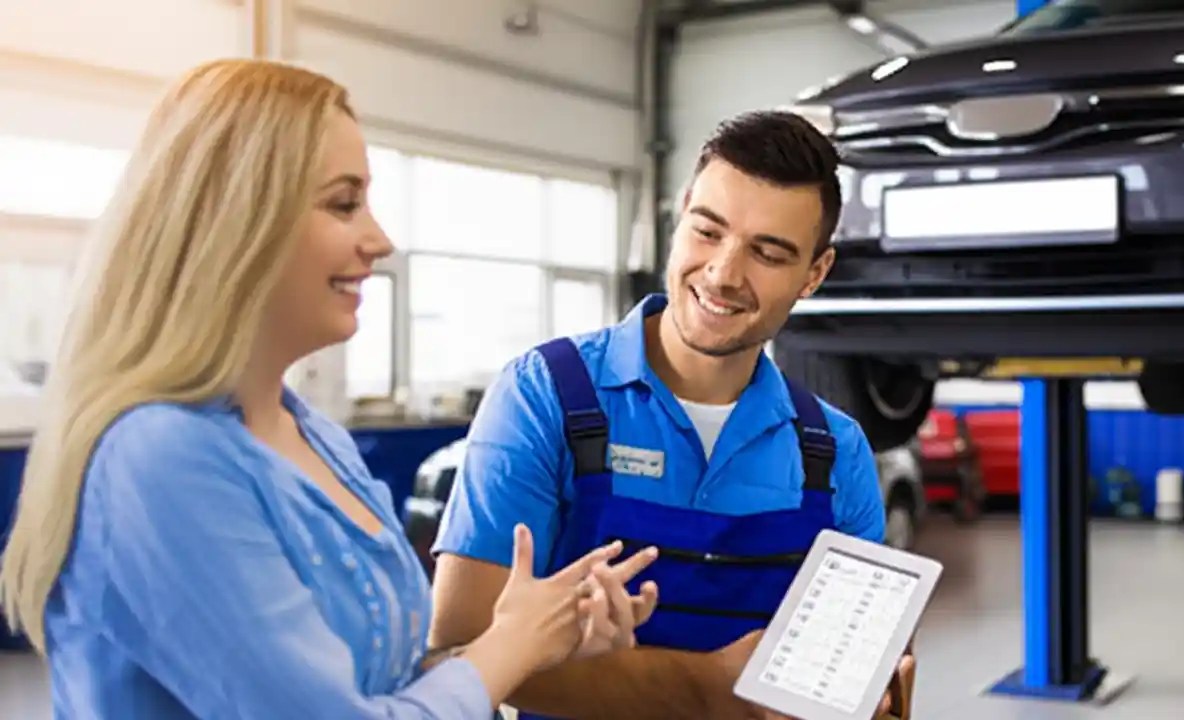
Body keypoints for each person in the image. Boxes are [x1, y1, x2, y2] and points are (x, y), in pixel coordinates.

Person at [0, 58, 660, 719]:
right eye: (343, 204)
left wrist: (532, 639)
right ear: (235, 221)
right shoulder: (159, 458)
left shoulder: (311, 435)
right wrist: (507, 650)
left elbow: (381, 684)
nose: (379, 240)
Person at [429, 110, 916, 720]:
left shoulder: (835, 451)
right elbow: (458, 651)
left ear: (814, 273)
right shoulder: (546, 395)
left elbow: (857, 681)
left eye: (768, 253)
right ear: (681, 214)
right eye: (708, 231)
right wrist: (709, 687)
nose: (723, 273)